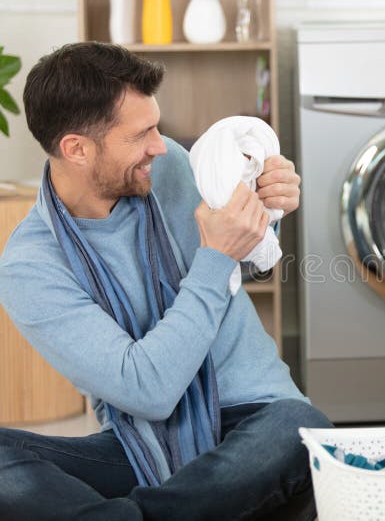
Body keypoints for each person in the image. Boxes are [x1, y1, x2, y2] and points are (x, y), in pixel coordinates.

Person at [0, 42, 331, 520]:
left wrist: (267, 211)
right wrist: (216, 255)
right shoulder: (31, 267)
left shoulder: (167, 165)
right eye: (141, 134)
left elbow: (252, 266)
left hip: (257, 420)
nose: (160, 143)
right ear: (76, 148)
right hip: (142, 445)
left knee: (299, 429)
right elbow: (148, 392)